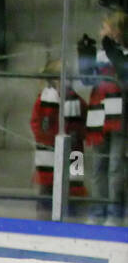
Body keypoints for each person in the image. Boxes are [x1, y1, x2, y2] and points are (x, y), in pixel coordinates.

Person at [83, 10, 127, 225]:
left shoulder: (123, 55)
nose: (101, 32)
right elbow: (86, 81)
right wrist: (85, 57)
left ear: (116, 31)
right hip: (98, 115)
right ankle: (97, 209)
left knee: (115, 166)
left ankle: (114, 212)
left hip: (119, 116)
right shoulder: (100, 55)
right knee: (98, 166)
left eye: (105, 28)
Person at [30, 59, 88, 219]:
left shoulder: (78, 101)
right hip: (48, 151)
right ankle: (44, 220)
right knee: (46, 188)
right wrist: (46, 137)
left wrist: (78, 133)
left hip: (75, 151)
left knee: (75, 188)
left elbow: (84, 122)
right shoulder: (42, 100)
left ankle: (75, 220)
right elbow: (36, 123)